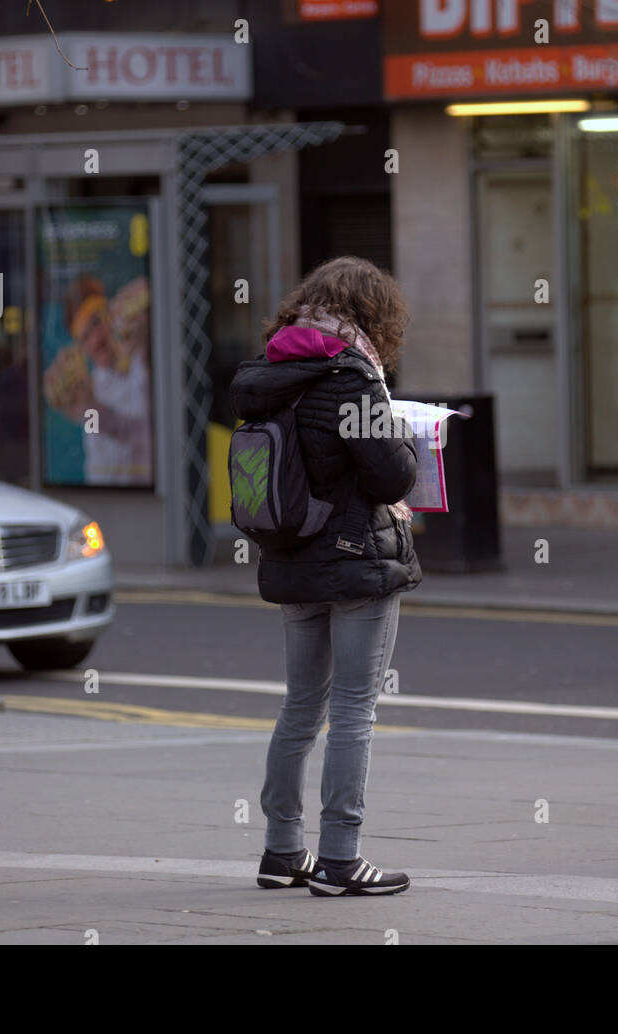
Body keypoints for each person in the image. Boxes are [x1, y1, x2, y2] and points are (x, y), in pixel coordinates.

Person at [229, 256, 421, 897]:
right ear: (373, 317)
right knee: (353, 709)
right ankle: (341, 858)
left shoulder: (271, 374)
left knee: (301, 706)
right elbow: (390, 477)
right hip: (356, 559)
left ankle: (282, 850)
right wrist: (408, 437)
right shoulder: (351, 379)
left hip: (292, 556)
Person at [44, 275, 152, 486]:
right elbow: (100, 433)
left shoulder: (143, 360)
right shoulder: (94, 388)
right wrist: (85, 409)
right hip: (110, 498)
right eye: (85, 337)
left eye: (96, 322)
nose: (96, 339)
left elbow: (148, 436)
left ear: (109, 314)